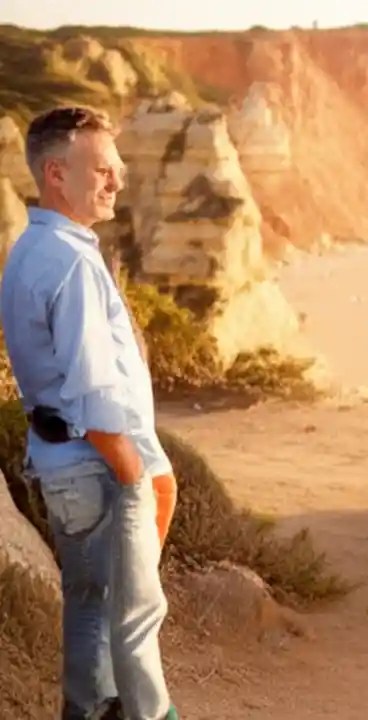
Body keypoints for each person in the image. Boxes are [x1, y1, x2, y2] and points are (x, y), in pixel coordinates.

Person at [0, 106, 179, 720]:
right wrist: (133, 475)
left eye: (118, 169)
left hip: (61, 463)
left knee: (89, 606)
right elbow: (95, 390)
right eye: (101, 170)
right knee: (136, 617)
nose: (116, 182)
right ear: (56, 174)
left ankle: (86, 711)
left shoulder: (31, 248)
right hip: (98, 466)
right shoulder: (72, 262)